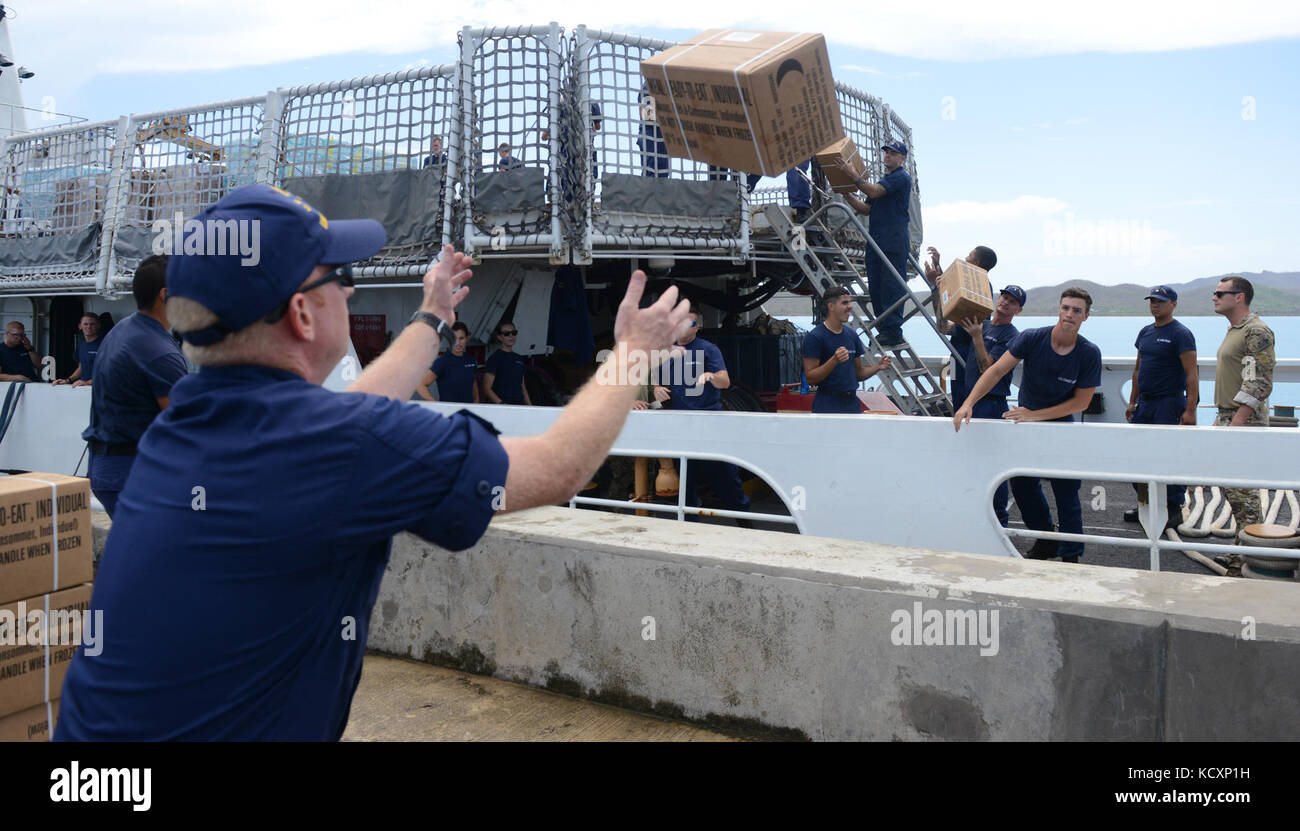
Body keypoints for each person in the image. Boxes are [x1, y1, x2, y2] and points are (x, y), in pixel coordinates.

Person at [55, 183, 692, 740]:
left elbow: (350, 414)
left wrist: (433, 316)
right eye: (337, 275)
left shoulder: (185, 425)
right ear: (303, 313)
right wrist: (634, 352)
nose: (352, 287)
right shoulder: (339, 443)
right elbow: (559, 469)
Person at [954, 288, 1101, 563]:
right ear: (1059, 309)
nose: (1070, 314)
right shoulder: (1033, 337)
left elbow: (1081, 402)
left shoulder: (1089, 353)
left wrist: (1036, 415)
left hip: (1060, 428)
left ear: (1086, 317)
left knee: (1066, 492)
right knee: (1022, 486)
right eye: (1066, 308)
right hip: (1027, 425)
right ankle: (1045, 539)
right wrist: (968, 402)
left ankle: (1071, 555)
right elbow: (996, 370)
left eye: (1077, 311)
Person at [80, 255, 188, 516]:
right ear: (166, 294)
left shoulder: (123, 330)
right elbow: (185, 426)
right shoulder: (160, 351)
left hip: (108, 468)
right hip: (131, 474)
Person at [938, 267, 1024, 529]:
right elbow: (944, 325)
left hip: (991, 404)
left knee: (991, 465)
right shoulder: (981, 322)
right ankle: (971, 517)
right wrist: (937, 290)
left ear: (1018, 310)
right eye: (1004, 297)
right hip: (969, 401)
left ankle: (999, 523)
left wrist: (977, 338)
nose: (1005, 302)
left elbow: (991, 371)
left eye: (1012, 301)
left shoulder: (1012, 336)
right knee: (968, 460)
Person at [653, 306, 751, 523]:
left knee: (725, 476)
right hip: (681, 426)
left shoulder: (709, 350)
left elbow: (724, 382)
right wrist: (655, 388)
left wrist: (710, 376)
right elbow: (656, 380)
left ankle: (745, 522)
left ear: (697, 327)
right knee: (686, 480)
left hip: (710, 423)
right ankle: (688, 528)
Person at [1211, 276, 1275, 573]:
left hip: (1240, 421)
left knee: (1244, 496)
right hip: (1228, 417)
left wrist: (1235, 426)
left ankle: (1250, 562)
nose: (1214, 297)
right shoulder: (1237, 330)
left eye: (1220, 293)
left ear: (1239, 297)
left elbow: (1259, 382)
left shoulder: (1256, 331)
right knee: (1234, 491)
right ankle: (1241, 552)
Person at [1123, 285, 1198, 528]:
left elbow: (1191, 373)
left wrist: (1190, 409)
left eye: (1161, 301)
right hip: (1145, 403)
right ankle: (1146, 503)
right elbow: (1138, 369)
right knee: (1139, 455)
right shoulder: (1145, 332)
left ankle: (1173, 507)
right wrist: (1132, 401)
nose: (1155, 305)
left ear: (1173, 304)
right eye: (1152, 301)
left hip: (1169, 403)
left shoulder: (1181, 334)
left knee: (1168, 455)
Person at [837, 141, 913, 348]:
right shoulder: (884, 180)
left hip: (894, 241)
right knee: (877, 287)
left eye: (893, 153)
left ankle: (893, 330)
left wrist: (853, 175)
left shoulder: (901, 178)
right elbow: (865, 208)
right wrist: (845, 193)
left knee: (892, 286)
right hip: (876, 240)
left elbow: (874, 192)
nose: (887, 155)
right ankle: (884, 329)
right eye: (886, 152)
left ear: (902, 158)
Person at [801, 286, 892, 413]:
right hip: (828, 404)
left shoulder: (851, 335)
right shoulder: (815, 337)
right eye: (844, 303)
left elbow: (858, 374)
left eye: (850, 302)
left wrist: (877, 367)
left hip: (852, 404)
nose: (850, 307)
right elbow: (810, 378)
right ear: (831, 306)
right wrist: (834, 360)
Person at [417, 321, 479, 404]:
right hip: (449, 414)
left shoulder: (471, 360)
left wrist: (476, 404)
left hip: (468, 413)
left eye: (461, 338)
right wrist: (436, 405)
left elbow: (473, 384)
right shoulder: (443, 361)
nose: (457, 343)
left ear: (467, 338)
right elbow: (421, 385)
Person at [483, 321, 530, 405]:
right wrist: (502, 405)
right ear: (499, 337)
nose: (511, 336)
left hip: (519, 405)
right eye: (506, 334)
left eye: (514, 333)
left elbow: (523, 387)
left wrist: (530, 407)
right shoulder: (494, 358)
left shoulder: (519, 358)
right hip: (502, 407)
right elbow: (487, 389)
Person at [54, 313, 103, 387]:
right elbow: (81, 368)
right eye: (85, 324)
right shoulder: (81, 345)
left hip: (99, 388)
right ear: (80, 326)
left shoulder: (105, 345)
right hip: (83, 387)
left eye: (92, 324)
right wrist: (68, 380)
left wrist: (88, 383)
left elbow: (109, 371)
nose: (89, 327)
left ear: (98, 326)